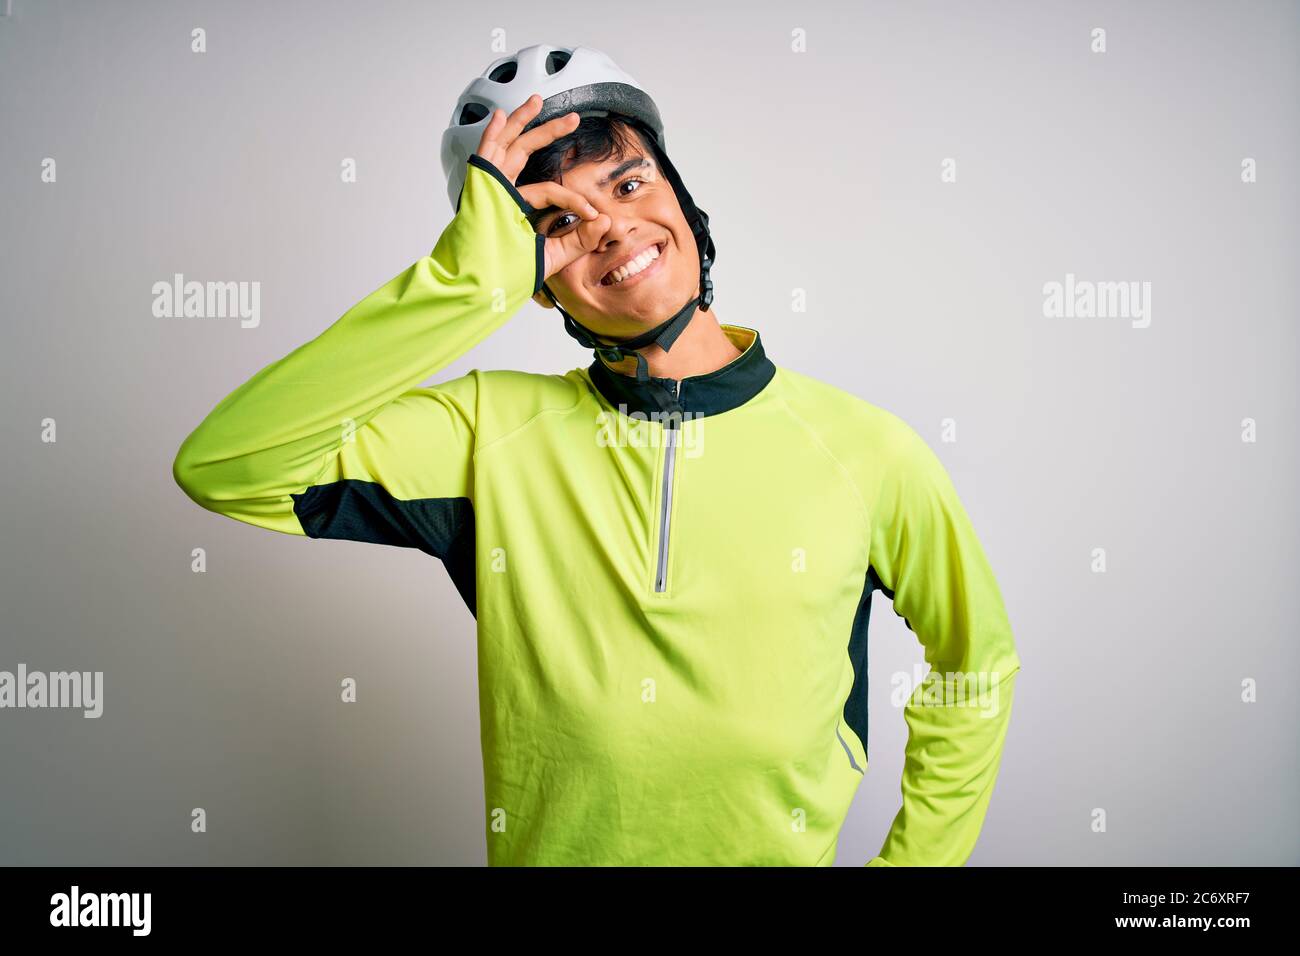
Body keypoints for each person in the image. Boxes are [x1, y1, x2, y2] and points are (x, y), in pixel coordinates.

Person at [172, 43, 1022, 866]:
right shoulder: (485, 432)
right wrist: (468, 282)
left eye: (628, 182)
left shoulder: (864, 448)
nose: (612, 230)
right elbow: (229, 464)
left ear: (684, 203)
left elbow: (976, 664)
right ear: (535, 284)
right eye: (560, 222)